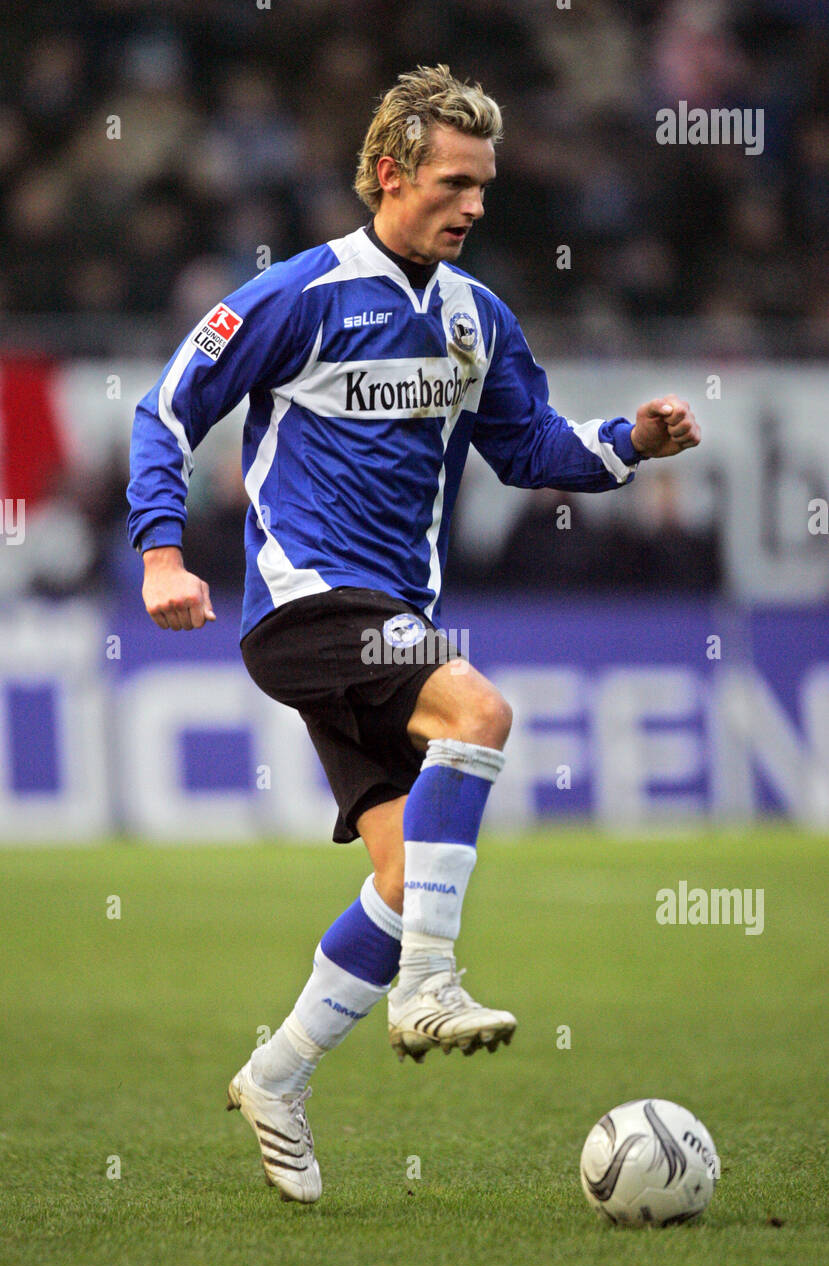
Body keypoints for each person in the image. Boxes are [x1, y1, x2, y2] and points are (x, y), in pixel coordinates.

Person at [127, 64, 701, 1204]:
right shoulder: (297, 295)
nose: (476, 203)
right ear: (390, 174)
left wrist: (629, 439)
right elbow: (165, 405)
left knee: (398, 888)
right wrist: (158, 549)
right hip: (307, 604)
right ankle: (430, 986)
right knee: (479, 711)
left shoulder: (475, 317)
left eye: (484, 184)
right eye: (454, 180)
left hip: (392, 615)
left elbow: (530, 448)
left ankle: (278, 1073)